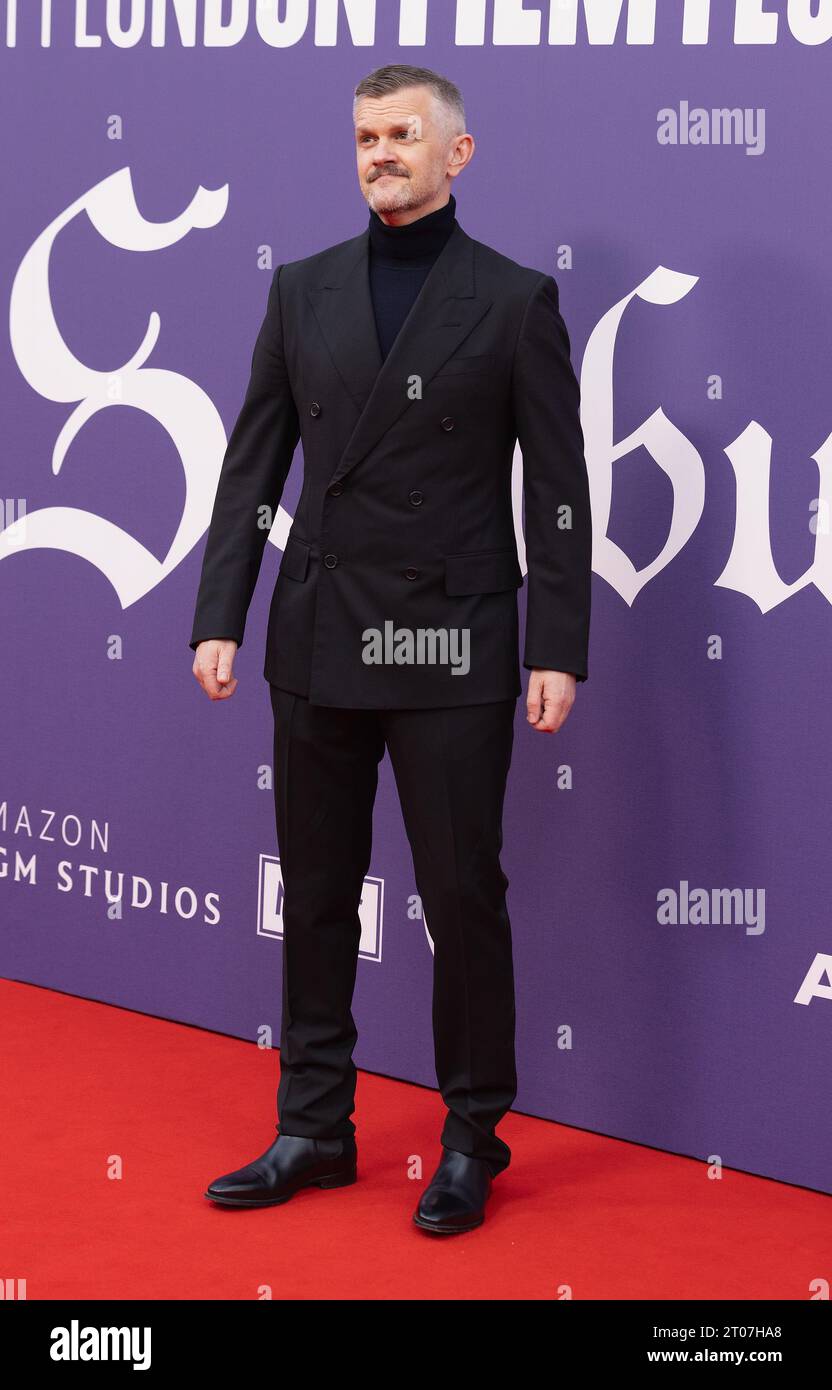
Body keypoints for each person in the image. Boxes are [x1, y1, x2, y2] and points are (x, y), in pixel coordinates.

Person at [190, 63, 592, 1234]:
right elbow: (250, 466)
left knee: (462, 893)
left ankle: (473, 1135)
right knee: (315, 892)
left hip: (451, 637)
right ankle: (314, 1124)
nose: (380, 153)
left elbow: (558, 495)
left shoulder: (515, 301)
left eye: (403, 135)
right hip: (316, 630)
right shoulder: (300, 290)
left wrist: (553, 642)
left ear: (455, 154)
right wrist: (221, 610)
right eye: (365, 136)